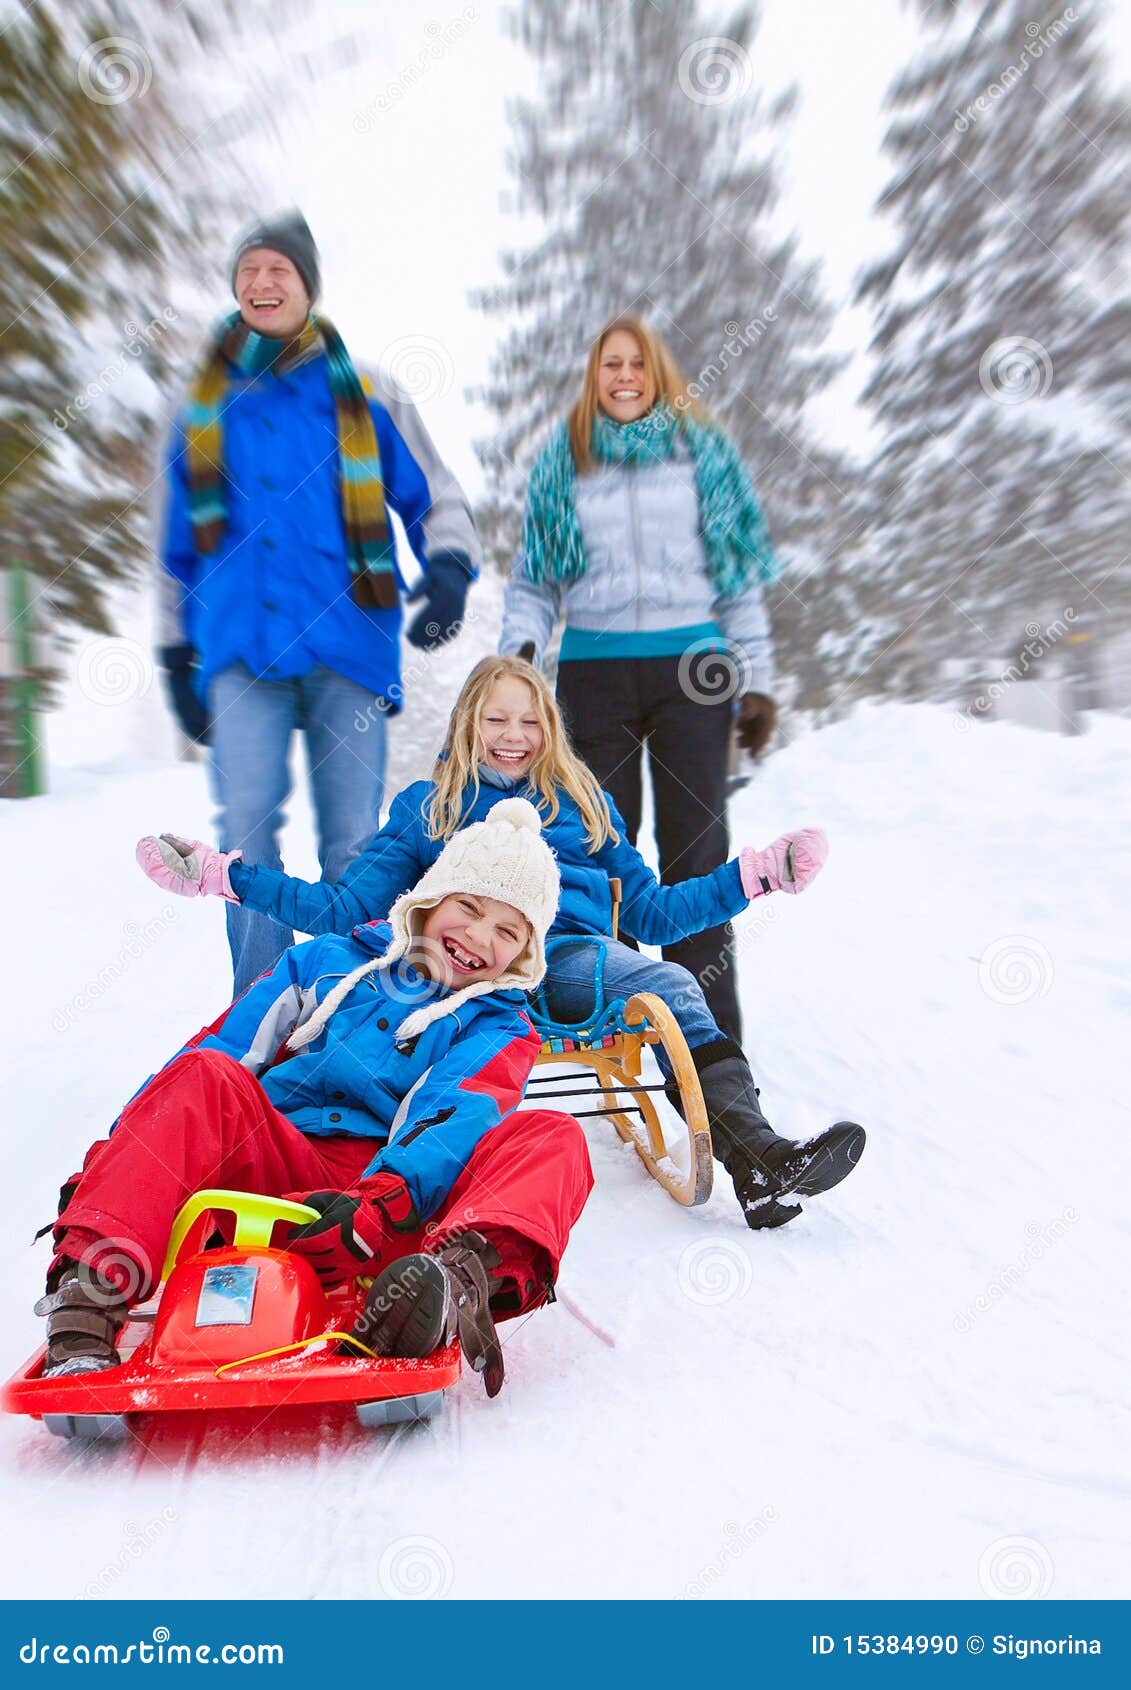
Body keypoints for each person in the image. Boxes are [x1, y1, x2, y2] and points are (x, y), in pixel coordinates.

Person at [137, 656, 864, 1231]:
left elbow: (652, 912)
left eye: (529, 720)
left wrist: (753, 878)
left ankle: (757, 1159)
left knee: (671, 985)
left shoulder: (584, 805)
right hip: (463, 979)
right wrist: (229, 879)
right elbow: (346, 907)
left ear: (549, 727)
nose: (513, 735)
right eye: (495, 719)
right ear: (468, 723)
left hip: (567, 960)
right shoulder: (431, 807)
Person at [37, 800, 591, 1401]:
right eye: (469, 908)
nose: (479, 937)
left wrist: (379, 1207)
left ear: (523, 956)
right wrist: (113, 1167)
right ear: (429, 901)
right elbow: (225, 1048)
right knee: (206, 1071)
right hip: (267, 1172)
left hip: (386, 1222)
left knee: (553, 1136)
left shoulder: (499, 1028)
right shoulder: (322, 962)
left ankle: (438, 1293)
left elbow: (451, 1118)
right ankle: (91, 1291)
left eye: (508, 932)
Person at [156, 208, 481, 996]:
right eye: (248, 270)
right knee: (244, 837)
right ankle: (260, 1010)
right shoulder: (197, 408)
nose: (262, 282)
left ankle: (346, 1005)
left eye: (280, 269)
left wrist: (447, 567)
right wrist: (173, 650)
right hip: (238, 649)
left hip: (347, 647)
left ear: (307, 286)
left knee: (353, 846)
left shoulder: (367, 392)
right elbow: (173, 546)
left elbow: (436, 496)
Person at [499, 315, 780, 1047]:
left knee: (696, 854)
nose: (623, 376)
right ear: (593, 377)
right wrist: (518, 656)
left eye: (636, 364)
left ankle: (709, 1044)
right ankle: (612, 1027)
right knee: (599, 857)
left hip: (694, 671)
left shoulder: (703, 454)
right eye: (610, 364)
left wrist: (757, 680)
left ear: (657, 373)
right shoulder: (564, 461)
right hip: (592, 674)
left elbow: (737, 578)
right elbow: (534, 581)